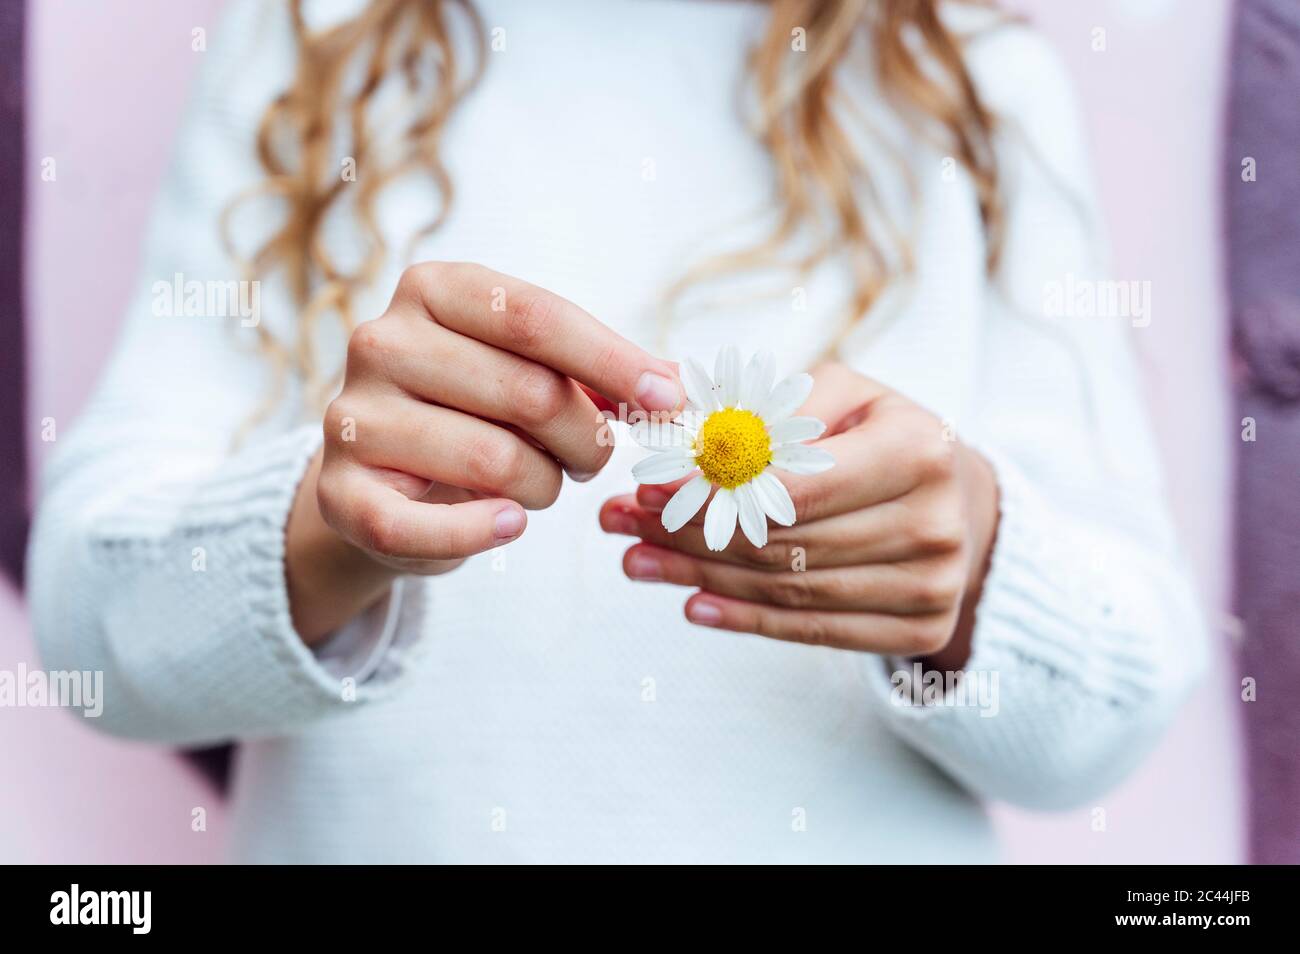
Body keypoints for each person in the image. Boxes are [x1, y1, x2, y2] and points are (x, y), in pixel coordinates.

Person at [29, 0, 1207, 862]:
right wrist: (330, 532)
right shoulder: (306, 48)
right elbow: (89, 628)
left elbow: (1126, 692)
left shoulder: (969, 75)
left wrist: (973, 570)